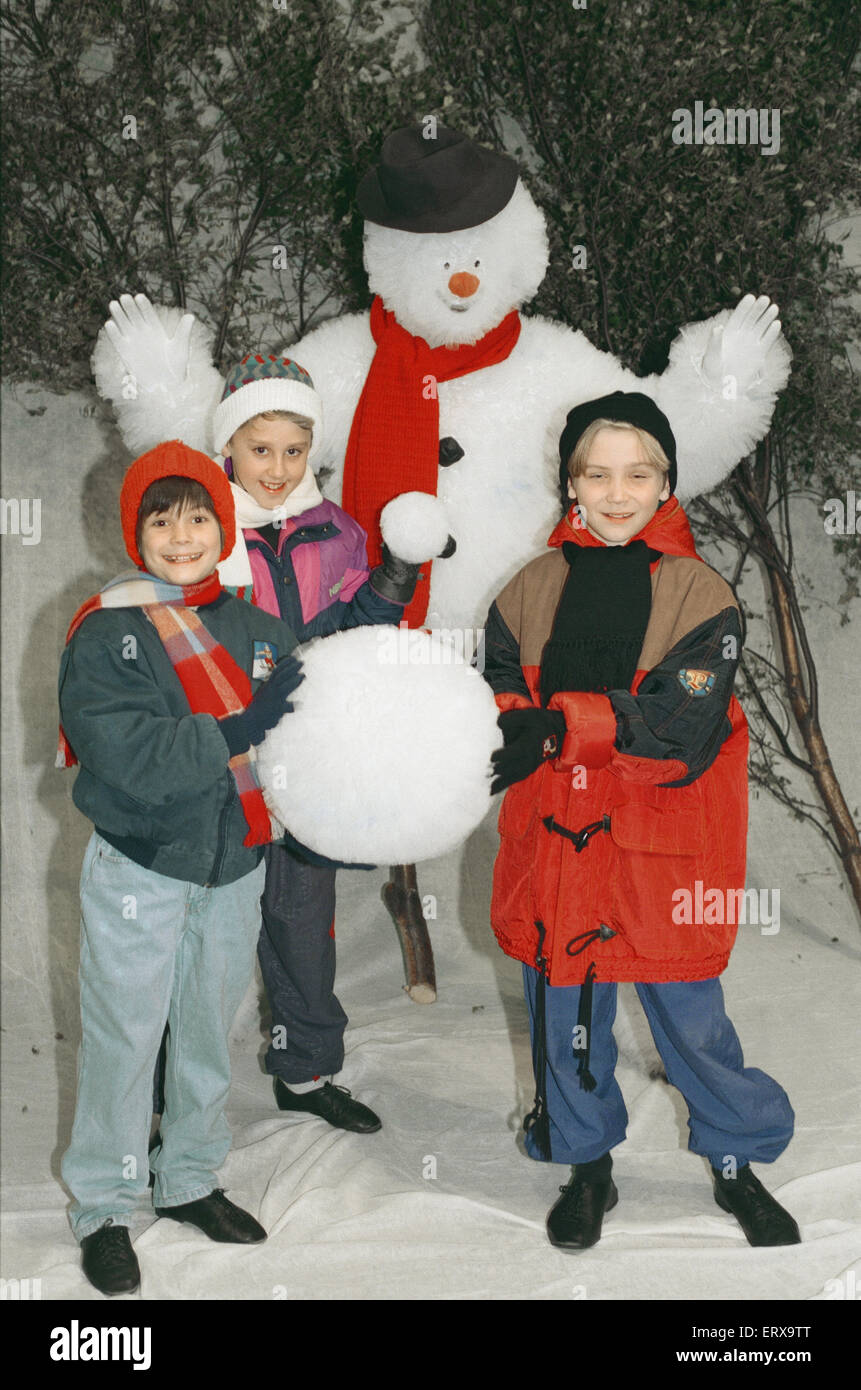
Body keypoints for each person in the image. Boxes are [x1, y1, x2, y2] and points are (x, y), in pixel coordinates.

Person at [482, 391, 799, 1250]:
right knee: (566, 1019)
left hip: (662, 849)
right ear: (570, 483)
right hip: (555, 846)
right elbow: (499, 684)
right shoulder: (527, 587)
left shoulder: (703, 596)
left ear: (666, 484)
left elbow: (677, 725)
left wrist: (559, 725)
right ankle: (587, 1164)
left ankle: (735, 1158)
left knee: (690, 1022)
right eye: (596, 472)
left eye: (639, 472)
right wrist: (510, 717)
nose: (617, 491)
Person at [58, 441, 304, 1295]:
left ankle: (189, 1178)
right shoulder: (109, 632)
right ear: (136, 533)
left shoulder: (259, 629)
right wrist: (234, 731)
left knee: (207, 1029)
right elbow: (120, 747)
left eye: (198, 515)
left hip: (234, 863)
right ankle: (105, 1204)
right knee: (127, 1035)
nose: (181, 534)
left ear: (223, 524)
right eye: (160, 520)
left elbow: (307, 732)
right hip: (141, 865)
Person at [212, 352, 432, 1134]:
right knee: (199, 926)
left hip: (305, 767)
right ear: (228, 444)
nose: (276, 468)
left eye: (293, 450)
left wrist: (390, 585)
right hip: (223, 765)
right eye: (259, 448)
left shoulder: (336, 530)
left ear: (313, 451)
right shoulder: (200, 526)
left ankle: (303, 1070)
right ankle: (168, 1089)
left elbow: (350, 639)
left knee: (301, 922)